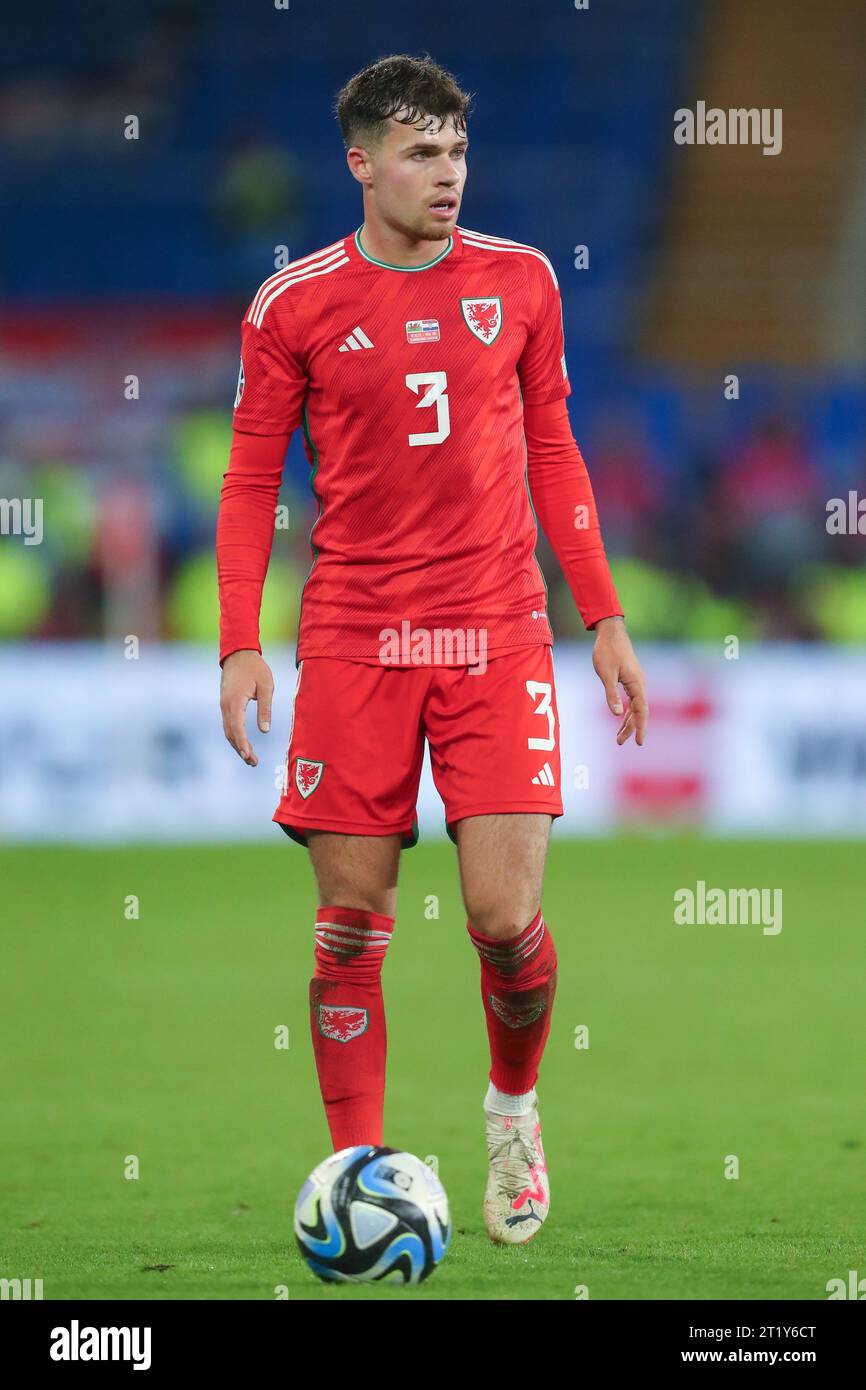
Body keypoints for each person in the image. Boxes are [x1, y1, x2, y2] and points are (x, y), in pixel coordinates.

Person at [216, 53, 648, 1246]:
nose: (446, 173)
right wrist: (239, 642)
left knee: (503, 917)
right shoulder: (293, 305)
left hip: (494, 630)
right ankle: (355, 1170)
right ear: (361, 163)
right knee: (350, 923)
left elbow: (553, 449)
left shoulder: (519, 281)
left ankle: (511, 1108)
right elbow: (249, 481)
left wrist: (604, 616)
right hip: (354, 637)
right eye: (420, 153)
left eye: (456, 151)